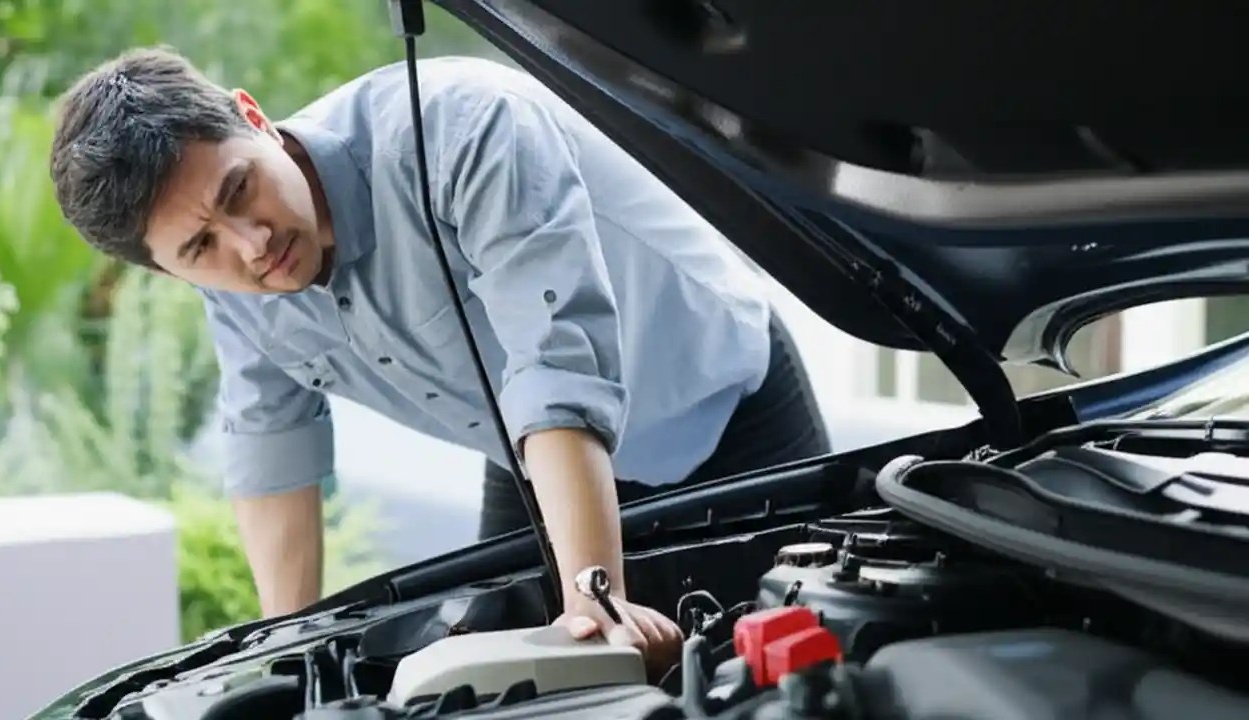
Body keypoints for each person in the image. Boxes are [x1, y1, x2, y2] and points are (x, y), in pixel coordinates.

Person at [48, 47, 830, 676]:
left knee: (783, 682)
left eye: (240, 188)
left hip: (724, 410)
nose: (251, 246)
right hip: (529, 454)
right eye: (201, 247)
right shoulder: (236, 288)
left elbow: (555, 363)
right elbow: (271, 451)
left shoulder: (459, 125)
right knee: (512, 688)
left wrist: (594, 597)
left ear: (254, 118)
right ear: (169, 270)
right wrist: (283, 656)